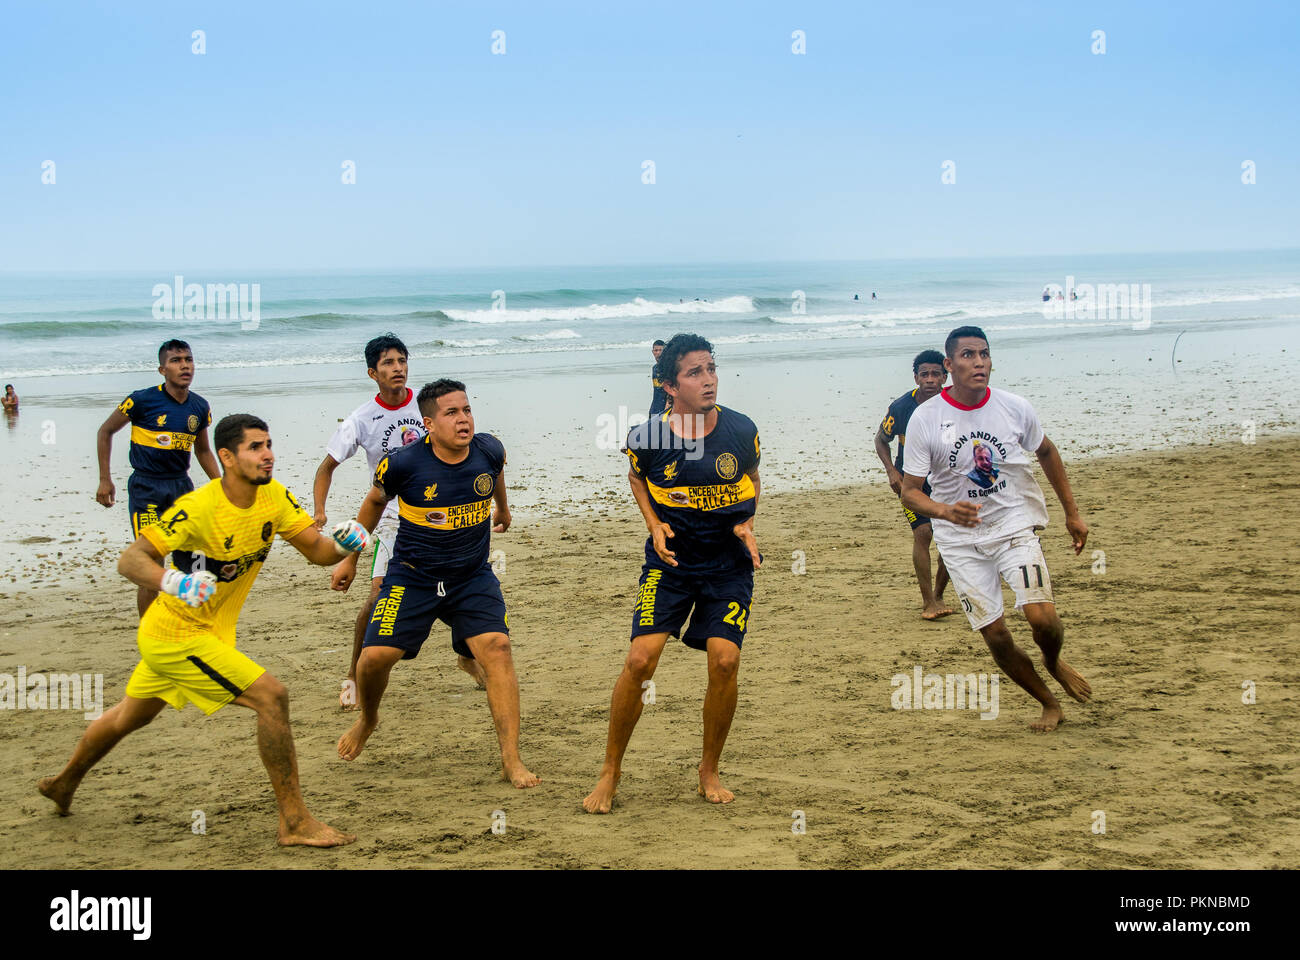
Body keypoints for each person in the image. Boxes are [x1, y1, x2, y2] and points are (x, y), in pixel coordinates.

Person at [39, 414, 368, 846]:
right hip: (175, 636)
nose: (267, 454)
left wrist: (344, 545)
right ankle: (294, 823)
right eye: (255, 447)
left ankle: (63, 783)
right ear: (226, 457)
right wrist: (174, 581)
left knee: (128, 717)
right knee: (272, 697)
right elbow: (131, 560)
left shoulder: (274, 496)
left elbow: (317, 551)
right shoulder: (199, 507)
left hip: (204, 636)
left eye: (269, 444)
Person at [583, 333, 761, 813]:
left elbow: (752, 478)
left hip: (728, 565)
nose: (709, 380)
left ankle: (709, 769)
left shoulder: (741, 429)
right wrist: (653, 522)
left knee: (725, 662)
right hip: (671, 565)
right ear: (669, 386)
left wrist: (746, 522)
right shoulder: (647, 438)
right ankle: (611, 770)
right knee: (640, 660)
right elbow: (636, 476)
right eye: (694, 373)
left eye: (711, 368)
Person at [332, 379, 539, 789]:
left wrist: (503, 508)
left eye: (467, 410)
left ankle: (511, 760)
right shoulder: (403, 464)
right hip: (413, 576)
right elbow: (374, 503)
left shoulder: (488, 449)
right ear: (428, 423)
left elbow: (496, 472)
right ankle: (368, 719)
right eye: (451, 413)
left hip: (471, 576)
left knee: (498, 650)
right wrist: (350, 558)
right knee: (373, 659)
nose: (463, 420)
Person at [900, 326, 1092, 732]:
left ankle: (1052, 660)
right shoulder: (926, 418)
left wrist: (1072, 514)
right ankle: (1049, 703)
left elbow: (1046, 451)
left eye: (984, 354)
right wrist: (945, 511)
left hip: (1012, 525)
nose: (979, 362)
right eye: (968, 355)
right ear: (950, 365)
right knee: (997, 635)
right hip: (960, 540)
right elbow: (910, 492)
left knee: (1043, 620)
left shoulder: (1014, 407)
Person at [312, 334, 455, 709]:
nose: (398, 368)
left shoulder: (429, 404)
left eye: (402, 361)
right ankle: (353, 674)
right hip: (393, 519)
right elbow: (326, 468)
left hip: (439, 515)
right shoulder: (361, 420)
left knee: (457, 588)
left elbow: (460, 444)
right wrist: (320, 512)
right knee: (379, 596)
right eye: (388, 363)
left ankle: (469, 657)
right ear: (372, 373)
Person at [95, 341, 221, 615]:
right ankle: (148, 630)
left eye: (188, 359)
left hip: (181, 487)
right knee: (151, 563)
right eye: (176, 361)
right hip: (146, 488)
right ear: (162, 370)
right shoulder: (141, 400)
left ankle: (185, 623)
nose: (185, 366)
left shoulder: (199, 406)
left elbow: (202, 451)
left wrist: (221, 486)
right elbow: (105, 431)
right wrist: (105, 479)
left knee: (193, 558)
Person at [873, 350, 952, 620]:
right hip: (911, 483)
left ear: (945, 376)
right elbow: (880, 440)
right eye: (924, 374)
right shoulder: (901, 408)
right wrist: (892, 471)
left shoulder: (953, 405)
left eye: (936, 374)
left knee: (949, 538)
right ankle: (928, 601)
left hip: (946, 481)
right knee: (923, 533)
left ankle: (939, 594)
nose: (930, 379)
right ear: (916, 377)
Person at [649, 339, 669, 416]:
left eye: (661, 350)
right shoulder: (654, 368)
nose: (658, 353)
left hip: (666, 409)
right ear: (652, 352)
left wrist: (666, 409)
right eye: (656, 350)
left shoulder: (668, 368)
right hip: (655, 407)